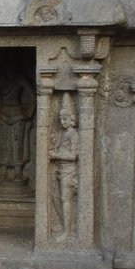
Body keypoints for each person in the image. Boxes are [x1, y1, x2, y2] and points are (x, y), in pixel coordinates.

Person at [48, 93, 79, 241]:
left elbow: (73, 155)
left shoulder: (73, 135)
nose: (62, 121)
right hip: (60, 170)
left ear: (72, 119)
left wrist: (56, 155)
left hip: (69, 171)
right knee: (55, 198)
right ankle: (67, 226)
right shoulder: (63, 134)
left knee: (66, 200)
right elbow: (61, 149)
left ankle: (67, 231)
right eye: (61, 119)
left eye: (65, 118)